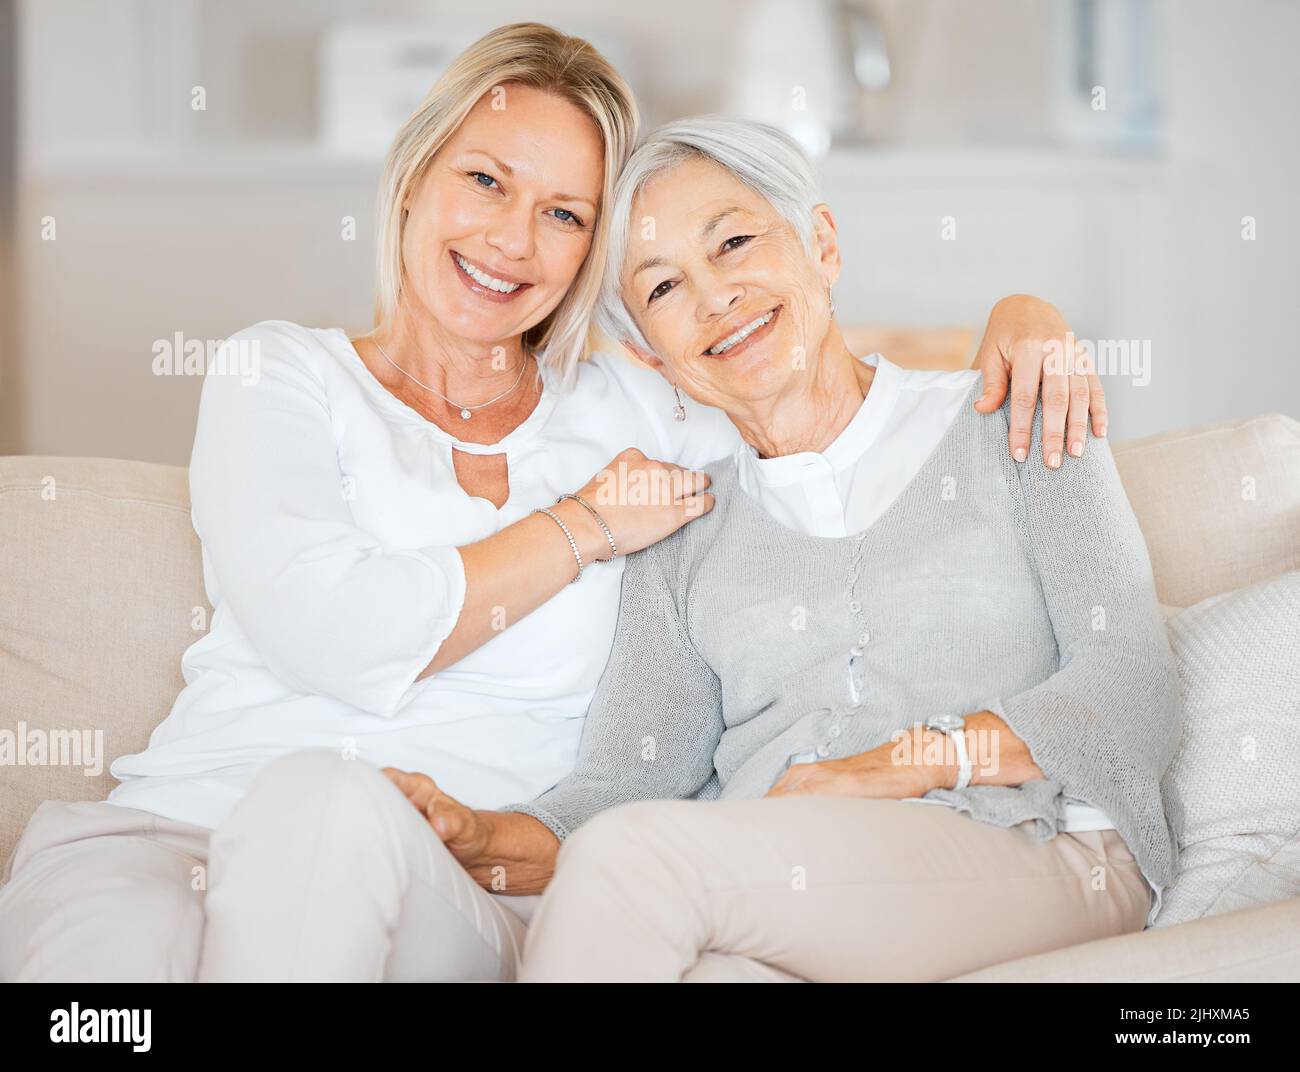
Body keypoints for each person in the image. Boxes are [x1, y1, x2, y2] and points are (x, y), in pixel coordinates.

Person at [0, 25, 1106, 983]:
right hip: (171, 826)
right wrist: (577, 529)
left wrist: (1021, 317)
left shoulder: (638, 402)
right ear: (417, 171)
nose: (512, 241)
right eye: (485, 181)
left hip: (461, 880)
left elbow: (814, 384)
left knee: (324, 803)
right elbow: (335, 634)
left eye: (565, 213)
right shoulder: (276, 374)